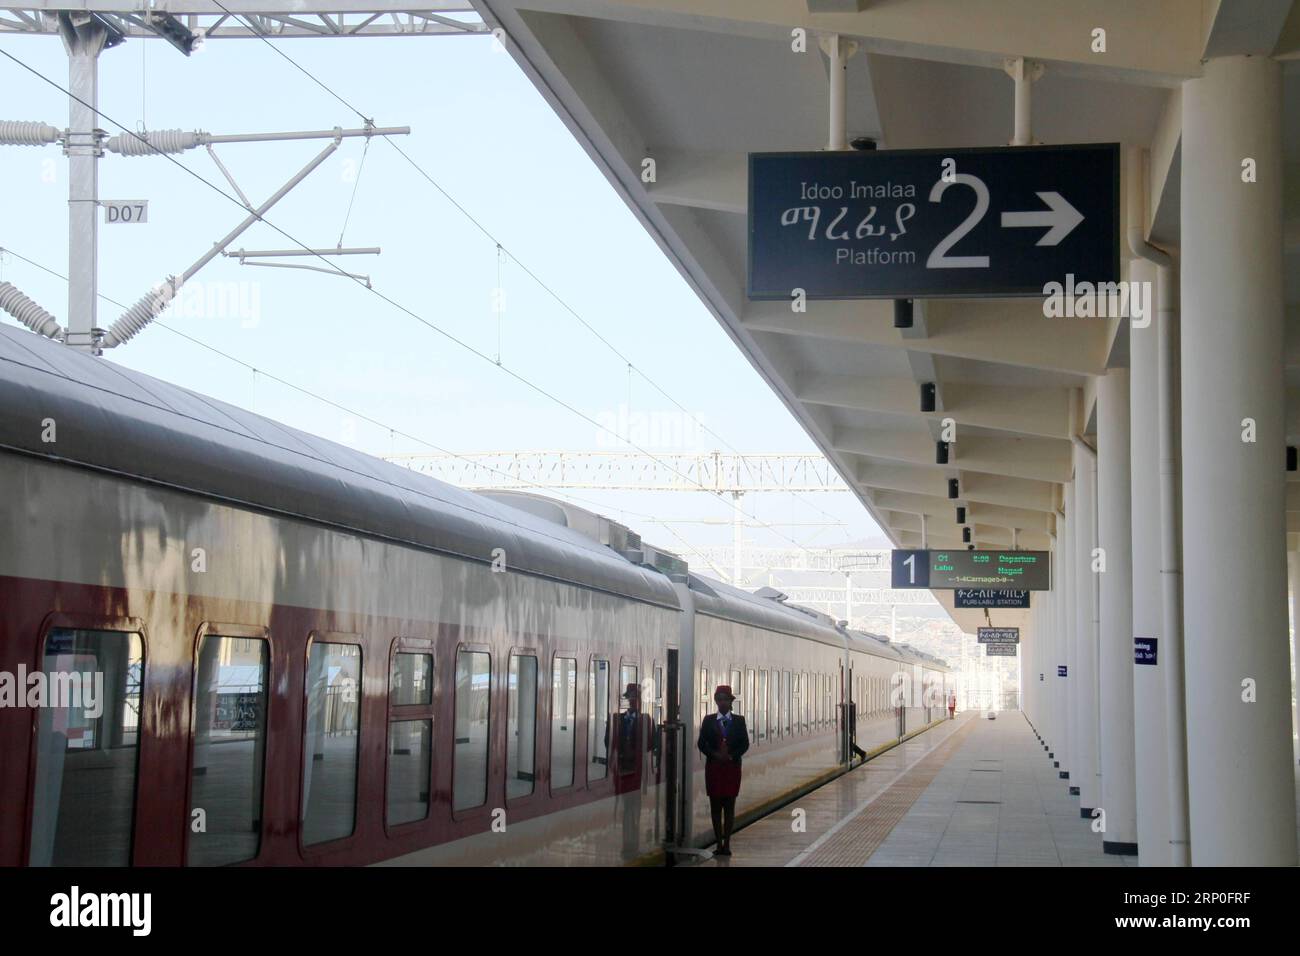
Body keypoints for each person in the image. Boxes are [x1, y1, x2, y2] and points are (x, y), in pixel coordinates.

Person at [697, 685, 749, 856]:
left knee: (729, 806)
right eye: (719, 699)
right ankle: (718, 843)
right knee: (715, 806)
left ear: (730, 701)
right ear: (715, 701)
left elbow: (745, 744)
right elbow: (701, 743)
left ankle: (727, 844)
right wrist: (714, 754)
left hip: (732, 768)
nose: (722, 702)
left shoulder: (740, 721)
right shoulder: (708, 720)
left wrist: (732, 756)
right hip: (714, 768)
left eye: (725, 699)